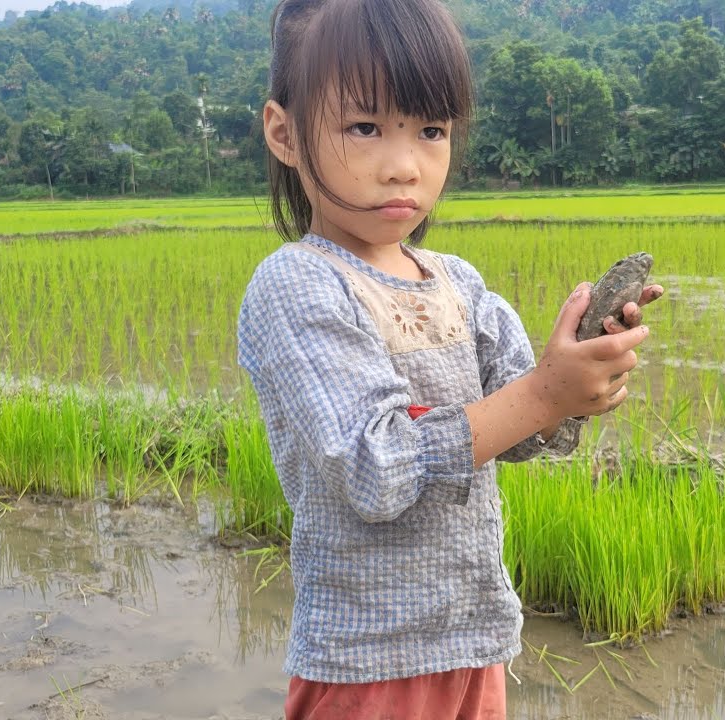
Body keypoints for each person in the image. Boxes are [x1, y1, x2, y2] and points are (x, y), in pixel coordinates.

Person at [236, 0, 660, 716]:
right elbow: (374, 469)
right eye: (364, 127)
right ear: (285, 133)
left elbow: (527, 432)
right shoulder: (299, 284)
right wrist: (542, 395)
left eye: (430, 130)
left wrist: (580, 373)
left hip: (473, 640)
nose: (404, 164)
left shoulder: (458, 283)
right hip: (367, 661)